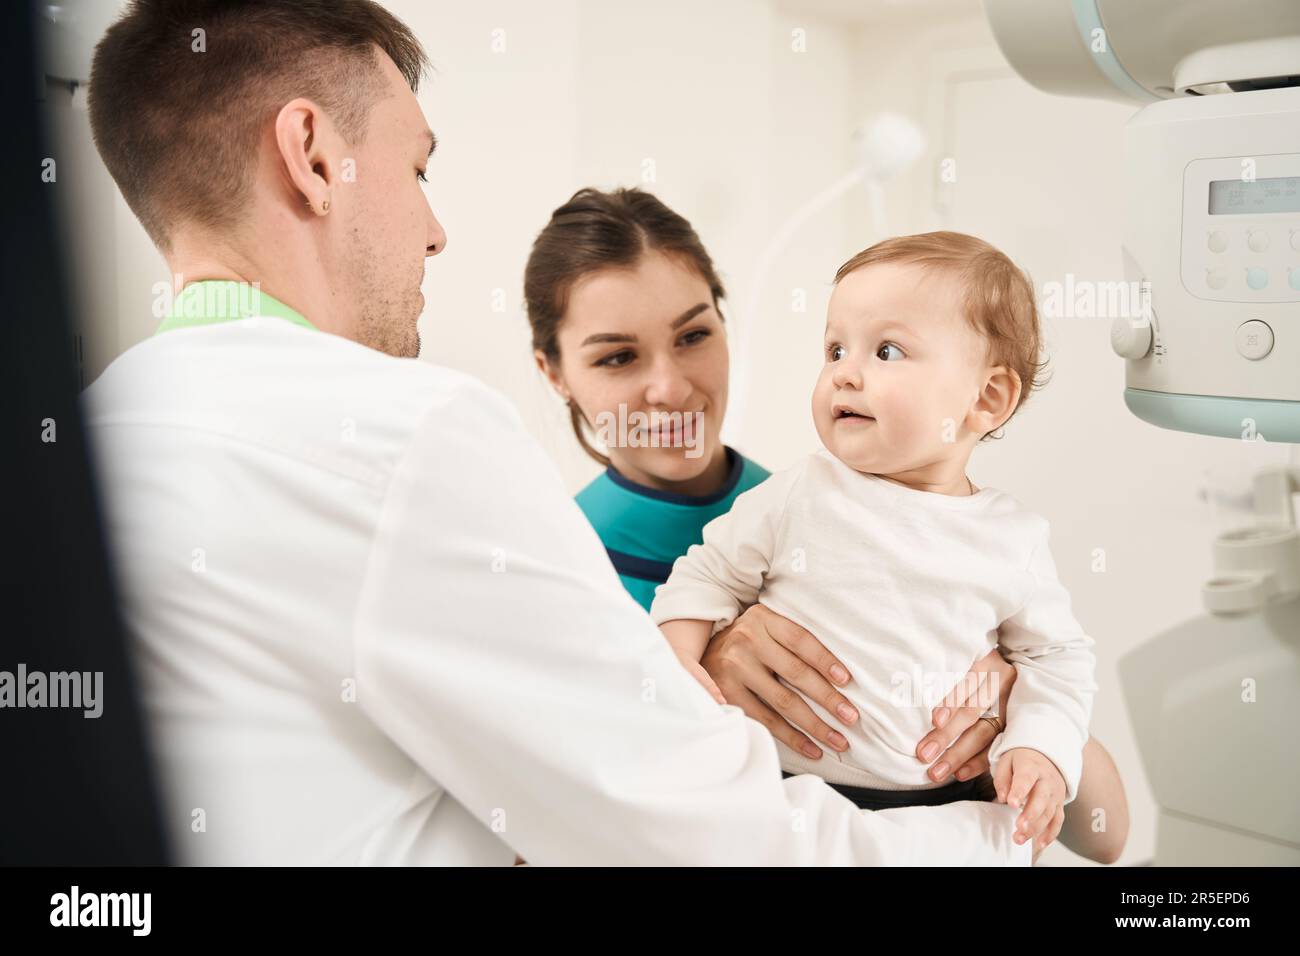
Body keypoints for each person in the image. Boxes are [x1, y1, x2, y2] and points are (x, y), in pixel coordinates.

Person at [79, 0, 1027, 864]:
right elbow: (703, 838)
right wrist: (1004, 839)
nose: (437, 230)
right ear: (314, 156)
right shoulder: (406, 441)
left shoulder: (95, 440)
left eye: (695, 332)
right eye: (417, 168)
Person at [526, 192, 1130, 862]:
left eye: (693, 335)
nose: (668, 388)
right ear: (553, 372)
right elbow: (547, 823)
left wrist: (1021, 713)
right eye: (617, 357)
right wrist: (698, 669)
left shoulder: (807, 507)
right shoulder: (555, 569)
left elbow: (1105, 837)